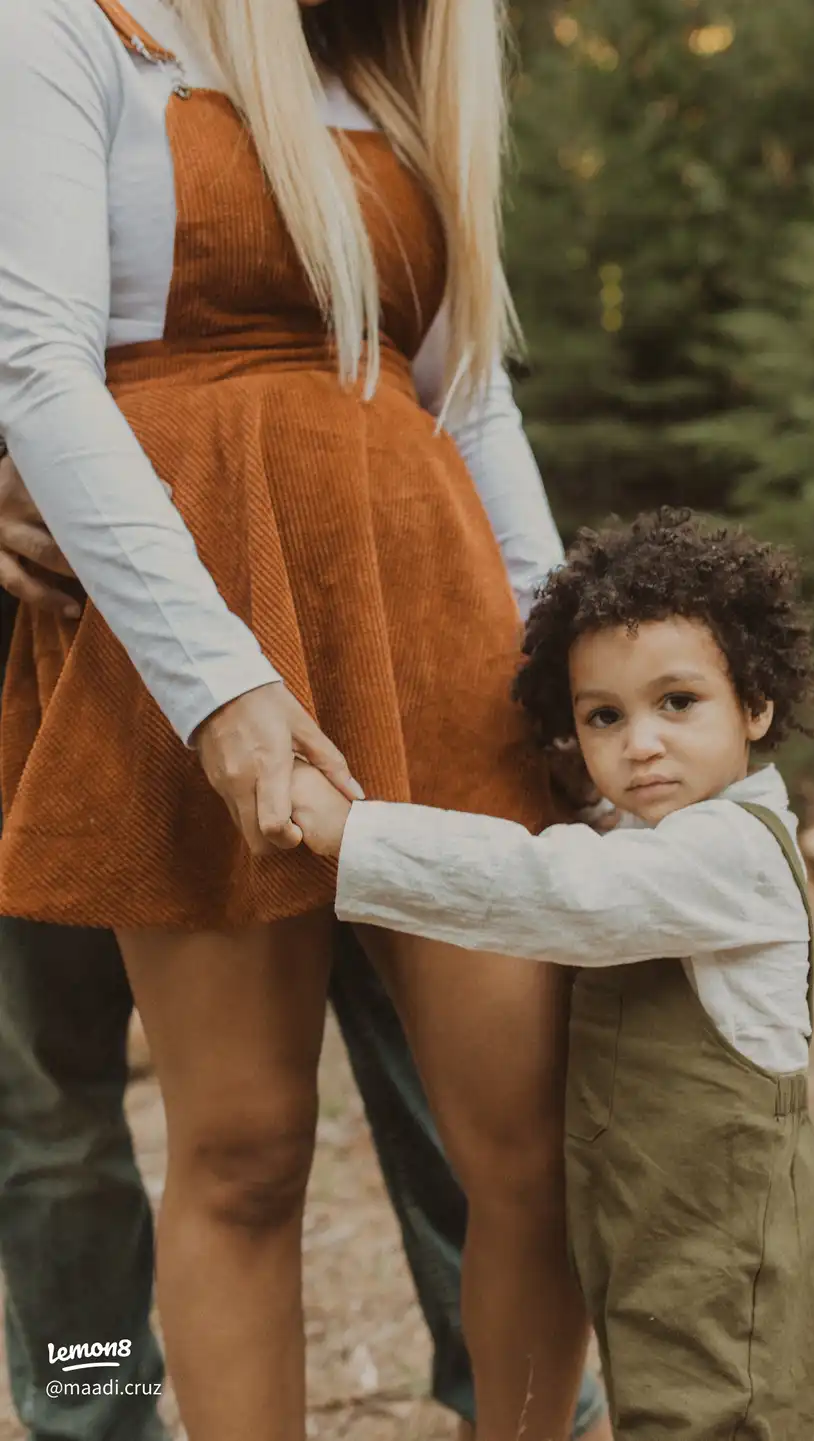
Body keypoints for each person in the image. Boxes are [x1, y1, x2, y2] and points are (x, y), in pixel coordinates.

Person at [0, 0, 594, 1435]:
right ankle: (95, 1413)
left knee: (528, 1141)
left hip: (425, 613)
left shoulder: (410, 71)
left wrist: (572, 665)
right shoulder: (78, 29)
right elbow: (39, 357)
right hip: (159, 616)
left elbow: (478, 406)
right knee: (185, 1132)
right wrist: (220, 689)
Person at [0, 455, 610, 1441]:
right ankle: (90, 1416)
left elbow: (460, 379)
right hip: (61, 618)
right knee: (51, 1105)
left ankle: (526, 1402)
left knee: (462, 1086)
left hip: (344, 563)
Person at [291, 508, 814, 1440]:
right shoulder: (651, 838)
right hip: (657, 1254)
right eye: (604, 716)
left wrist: (361, 837)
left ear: (757, 703)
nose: (642, 743)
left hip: (729, 1266)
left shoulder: (727, 855)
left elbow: (557, 889)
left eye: (678, 702)